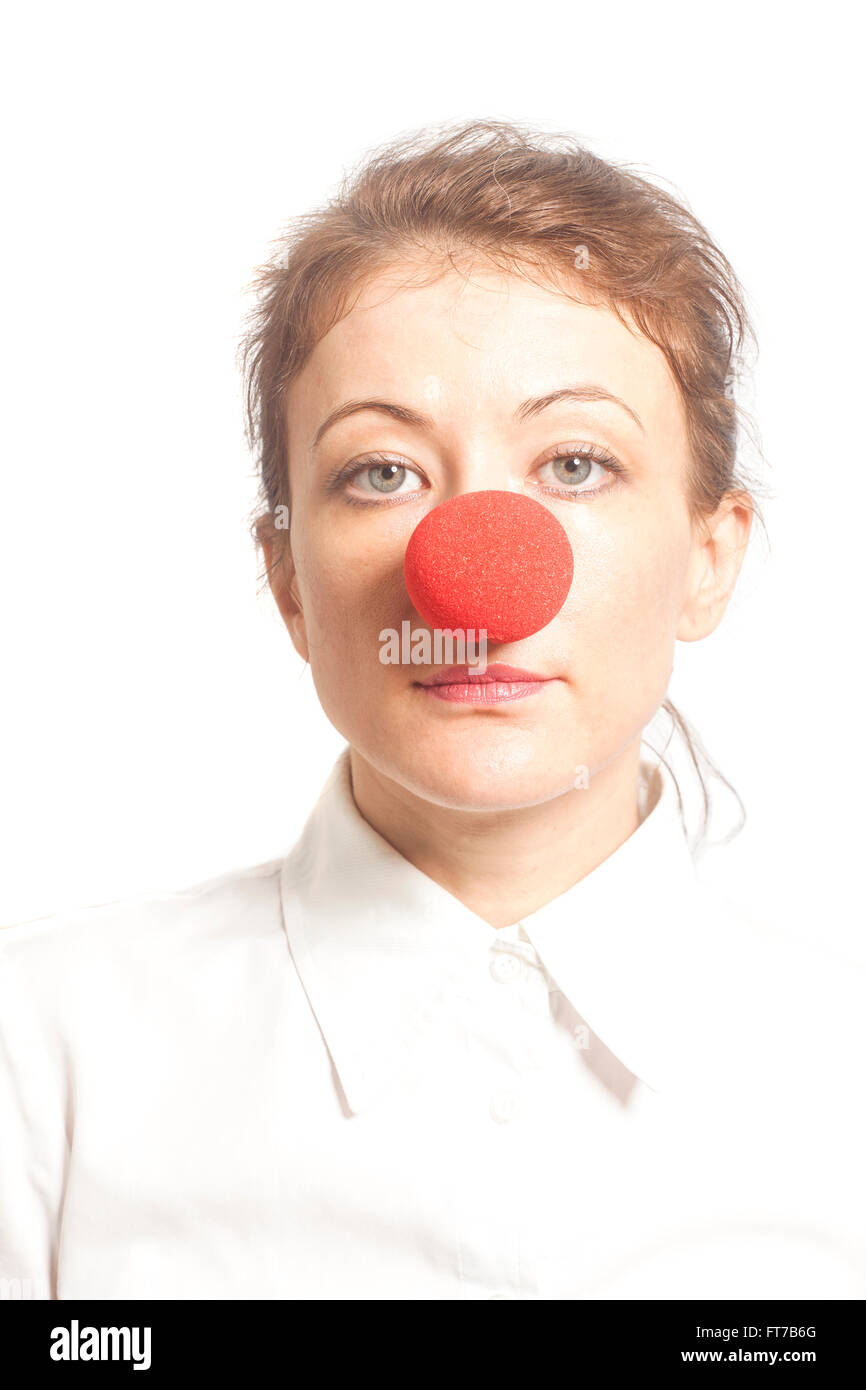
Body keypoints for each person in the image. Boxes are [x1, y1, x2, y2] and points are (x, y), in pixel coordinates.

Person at [1, 120, 863, 1301]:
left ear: (707, 558)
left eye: (573, 464)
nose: (471, 573)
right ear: (289, 579)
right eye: (380, 471)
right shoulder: (38, 1054)